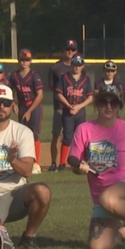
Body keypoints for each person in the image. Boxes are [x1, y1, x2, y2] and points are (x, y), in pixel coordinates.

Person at [68, 88, 125, 249]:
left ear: (118, 107)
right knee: (97, 247)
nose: (108, 106)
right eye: (103, 102)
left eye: (113, 103)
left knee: (108, 198)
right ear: (96, 106)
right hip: (101, 196)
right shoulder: (84, 129)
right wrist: (79, 169)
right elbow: (74, 162)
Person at [0, 84, 50, 249]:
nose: (1, 107)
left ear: (13, 106)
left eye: (6, 103)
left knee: (42, 191)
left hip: (15, 197)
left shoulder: (23, 132)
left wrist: (13, 160)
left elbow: (27, 171)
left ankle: (29, 237)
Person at [8, 48, 44, 169]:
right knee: (22, 133)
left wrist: (29, 111)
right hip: (22, 105)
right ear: (19, 61)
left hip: (34, 106)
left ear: (30, 61)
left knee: (34, 134)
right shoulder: (14, 75)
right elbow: (9, 90)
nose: (24, 62)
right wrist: (13, 103)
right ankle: (24, 159)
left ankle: (36, 163)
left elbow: (40, 95)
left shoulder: (34, 75)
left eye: (27, 60)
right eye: (22, 60)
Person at [55, 55, 93, 169]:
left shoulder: (86, 79)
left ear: (83, 66)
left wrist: (78, 107)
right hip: (68, 111)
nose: (77, 68)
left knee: (81, 137)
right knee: (67, 136)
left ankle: (81, 162)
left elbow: (90, 97)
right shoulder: (64, 77)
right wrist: (68, 105)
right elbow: (59, 93)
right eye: (75, 65)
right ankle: (62, 163)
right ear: (71, 65)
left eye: (79, 65)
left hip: (80, 111)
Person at [47, 40, 79, 170]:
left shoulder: (79, 66)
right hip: (60, 107)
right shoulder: (56, 68)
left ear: (76, 51)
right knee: (56, 134)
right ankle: (54, 163)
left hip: (74, 108)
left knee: (72, 135)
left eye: (72, 49)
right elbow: (51, 86)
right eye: (67, 49)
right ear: (63, 50)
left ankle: (71, 162)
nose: (70, 52)